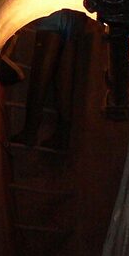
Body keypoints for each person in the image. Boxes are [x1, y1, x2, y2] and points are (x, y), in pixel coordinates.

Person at [10, 9, 84, 150]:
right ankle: (62, 136)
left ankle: (30, 132)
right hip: (76, 19)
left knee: (40, 76)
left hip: (54, 19)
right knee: (64, 81)